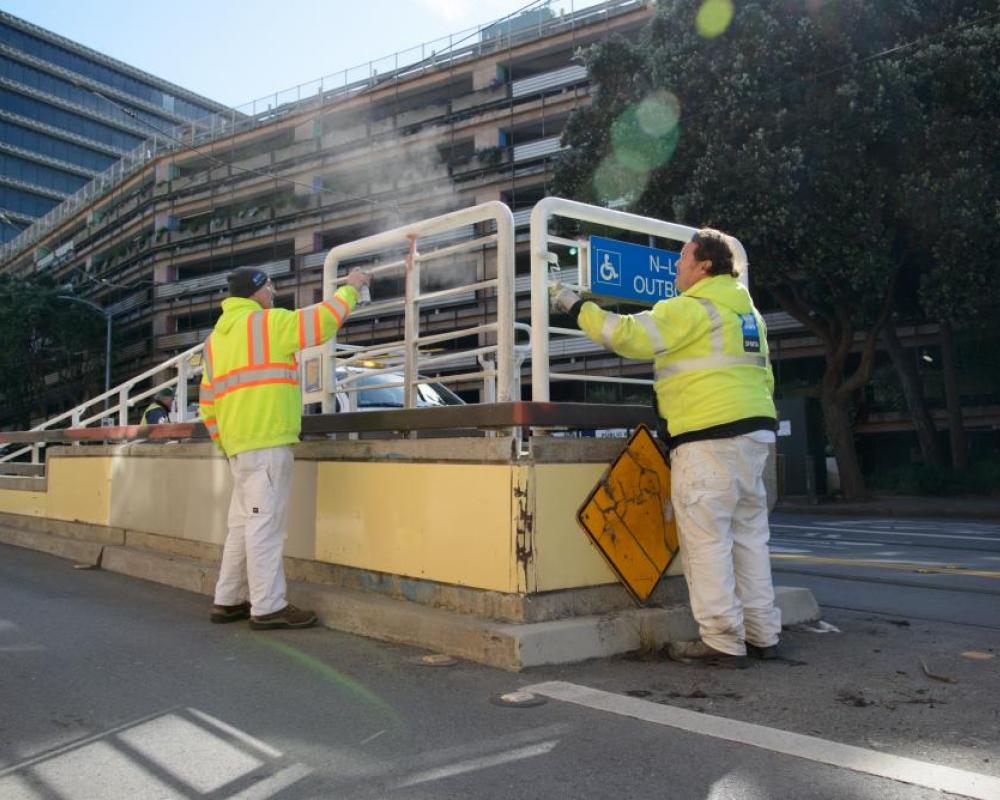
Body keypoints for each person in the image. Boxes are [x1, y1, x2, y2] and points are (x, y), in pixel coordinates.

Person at [550, 229, 781, 668]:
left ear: (704, 265)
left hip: (707, 437)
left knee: (706, 542)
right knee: (749, 538)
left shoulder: (692, 307)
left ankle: (723, 640)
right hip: (754, 436)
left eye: (683, 258)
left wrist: (575, 305)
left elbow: (626, 335)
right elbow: (764, 377)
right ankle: (763, 633)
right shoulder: (749, 315)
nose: (675, 266)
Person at [200, 265, 370, 630]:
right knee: (265, 525)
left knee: (242, 525)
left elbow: (207, 404)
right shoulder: (268, 323)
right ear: (255, 291)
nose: (273, 292)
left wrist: (226, 443)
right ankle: (268, 607)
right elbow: (322, 321)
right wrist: (352, 288)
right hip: (267, 441)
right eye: (269, 287)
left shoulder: (214, 341)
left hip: (238, 447)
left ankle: (228, 600)